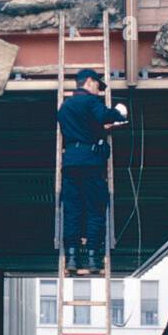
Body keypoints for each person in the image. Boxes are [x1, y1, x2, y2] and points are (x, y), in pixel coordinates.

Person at [58, 67, 128, 274]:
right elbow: (105, 115)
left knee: (71, 210)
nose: (99, 90)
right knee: (95, 209)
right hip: (91, 164)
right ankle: (93, 259)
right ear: (89, 81)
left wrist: (97, 129)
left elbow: (81, 128)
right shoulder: (91, 102)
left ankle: (71, 258)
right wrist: (119, 113)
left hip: (70, 163)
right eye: (98, 85)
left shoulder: (64, 107)